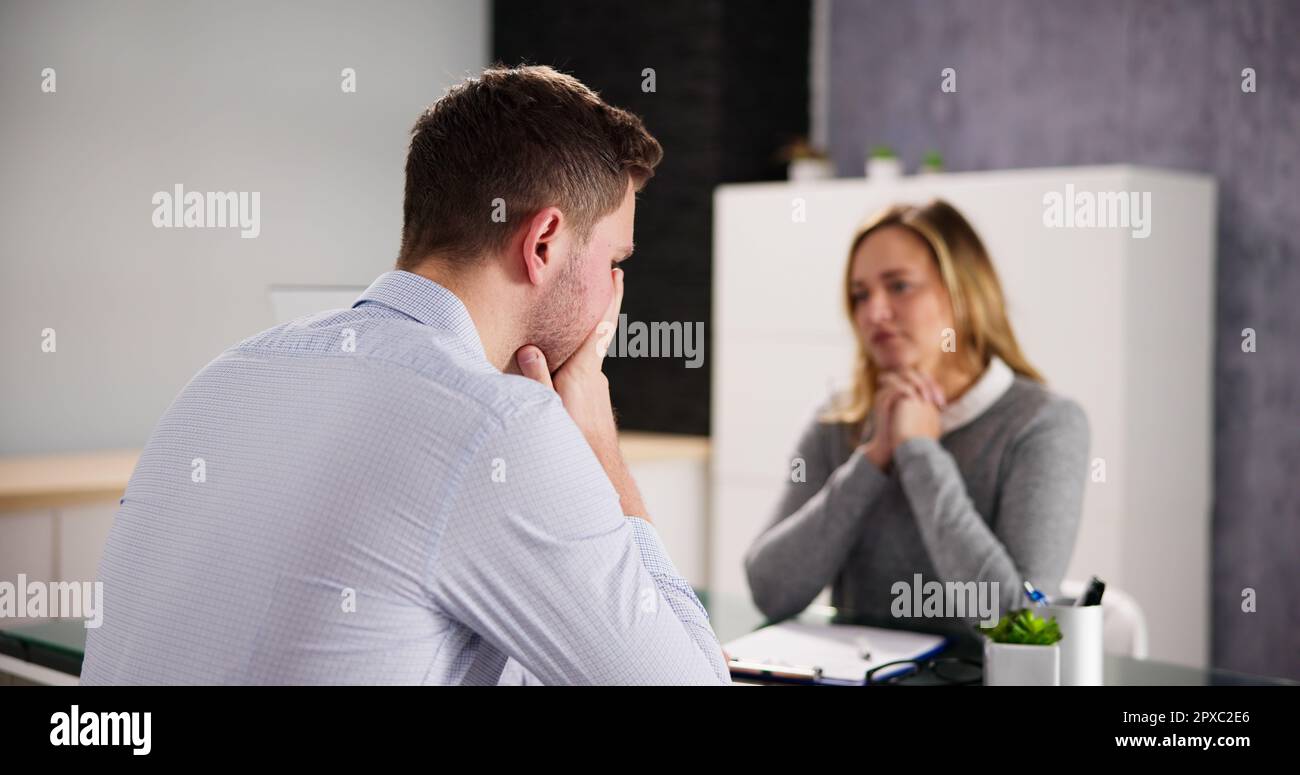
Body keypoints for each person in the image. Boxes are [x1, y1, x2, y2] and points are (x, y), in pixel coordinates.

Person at [82, 65, 729, 685]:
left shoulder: (224, 377)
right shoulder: (499, 427)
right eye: (615, 261)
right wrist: (601, 455)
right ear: (542, 245)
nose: (618, 291)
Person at [744, 200, 1089, 641]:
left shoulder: (1044, 426)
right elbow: (770, 591)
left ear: (964, 292)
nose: (874, 313)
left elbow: (1016, 625)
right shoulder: (840, 419)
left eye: (899, 286)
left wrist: (920, 453)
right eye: (860, 295)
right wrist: (873, 460)